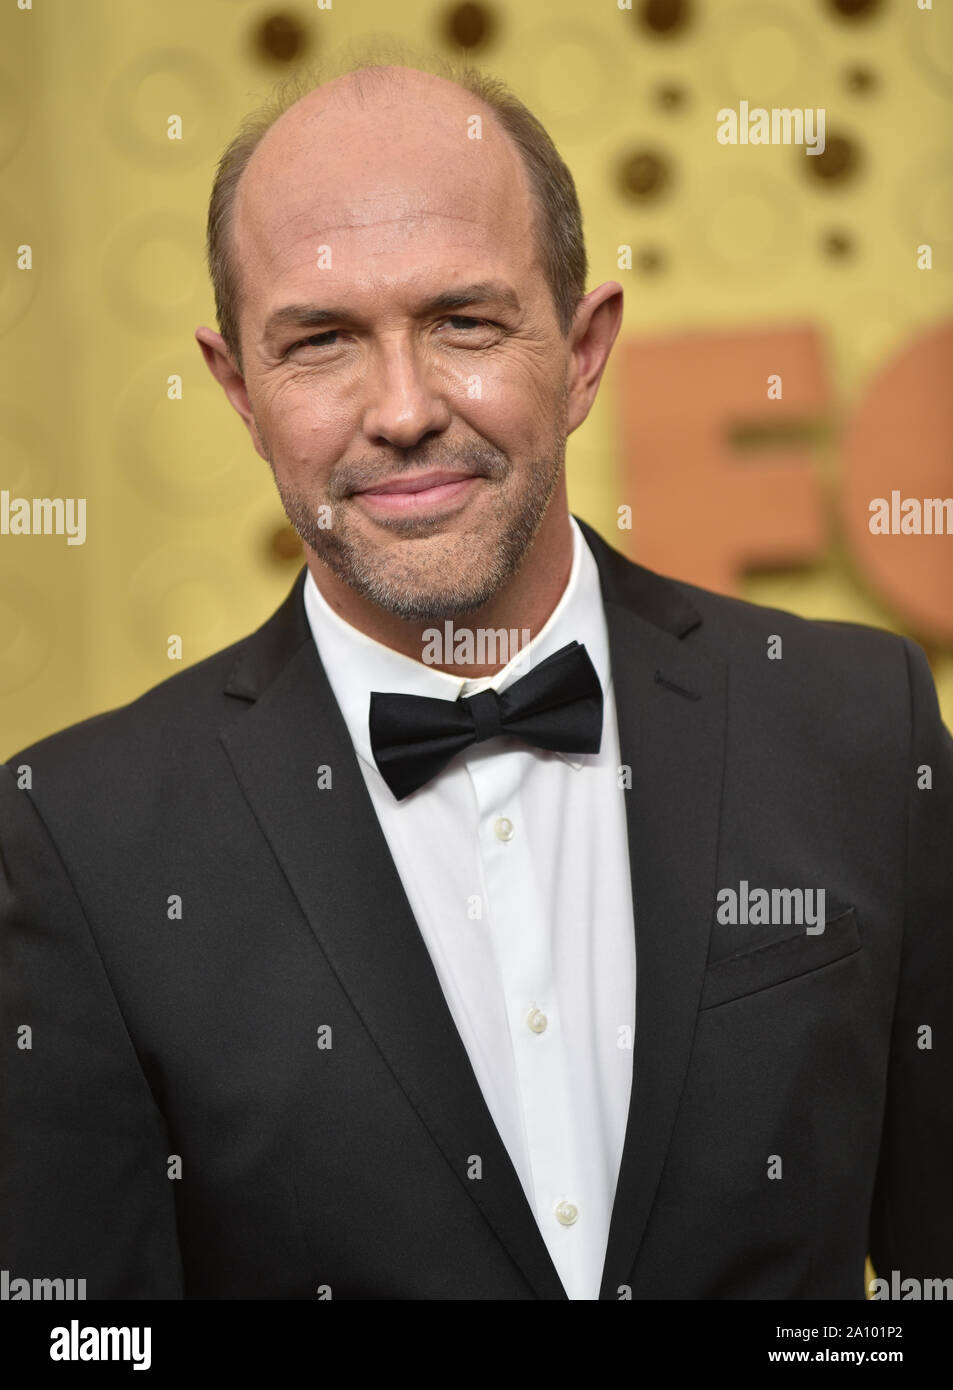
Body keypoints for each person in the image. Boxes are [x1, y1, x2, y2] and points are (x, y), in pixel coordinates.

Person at [1, 58, 951, 1302]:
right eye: (322, 341)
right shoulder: (74, 836)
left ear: (583, 346)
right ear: (237, 387)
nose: (401, 411)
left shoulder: (856, 726)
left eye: (463, 321)